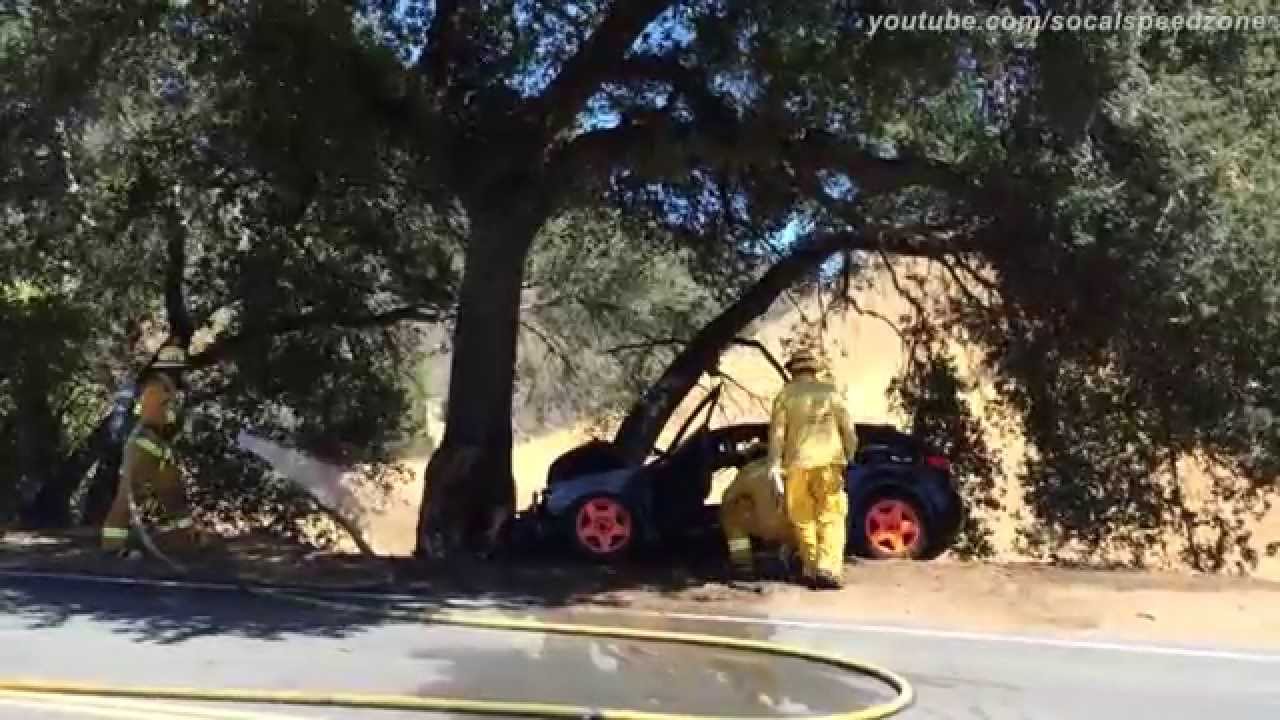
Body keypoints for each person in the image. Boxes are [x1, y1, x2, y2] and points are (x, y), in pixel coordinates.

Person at [767, 342, 858, 589]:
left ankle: (811, 567)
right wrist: (850, 454)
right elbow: (848, 430)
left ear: (793, 371)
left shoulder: (785, 396)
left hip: (797, 464)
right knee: (831, 514)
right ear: (814, 370)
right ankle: (828, 568)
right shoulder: (831, 393)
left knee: (802, 517)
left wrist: (774, 466)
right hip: (830, 463)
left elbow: (777, 436)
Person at [100, 344, 201, 556]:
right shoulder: (155, 387)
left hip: (159, 449)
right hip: (144, 446)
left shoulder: (168, 389)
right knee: (129, 495)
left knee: (173, 493)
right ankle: (112, 544)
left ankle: (187, 539)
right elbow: (154, 418)